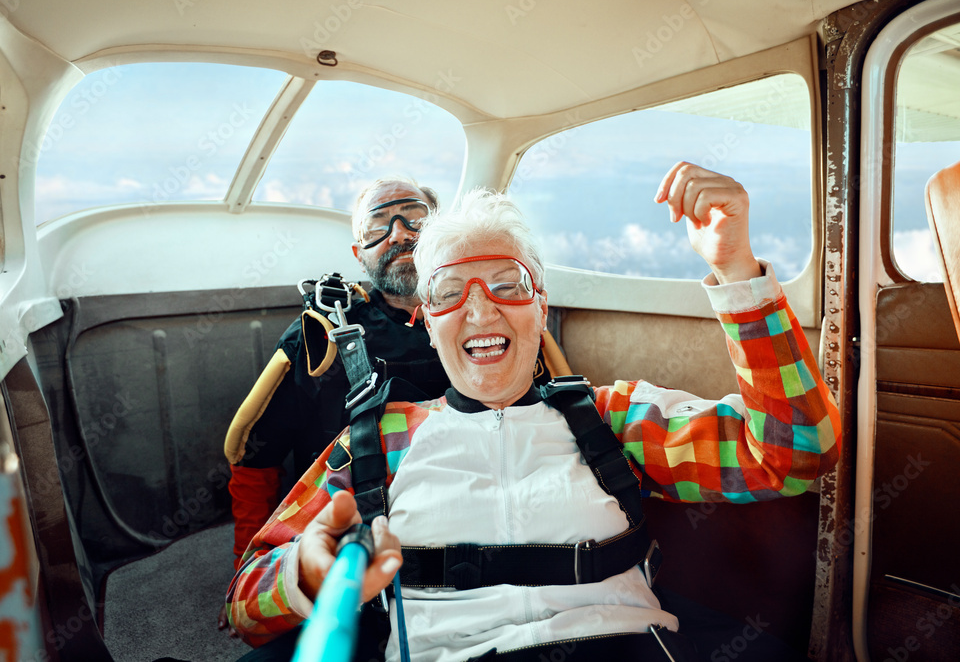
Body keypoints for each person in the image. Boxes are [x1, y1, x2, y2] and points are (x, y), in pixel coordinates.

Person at [225, 162, 842, 661]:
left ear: (540, 306)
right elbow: (244, 600)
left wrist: (738, 274)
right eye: (448, 293)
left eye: (509, 283)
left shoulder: (612, 417)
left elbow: (797, 451)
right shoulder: (379, 440)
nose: (481, 310)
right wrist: (306, 571)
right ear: (427, 321)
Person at [218, 178, 450, 632]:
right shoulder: (321, 338)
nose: (399, 234)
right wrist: (248, 568)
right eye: (378, 225)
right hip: (351, 534)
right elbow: (254, 458)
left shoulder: (487, 320)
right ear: (358, 253)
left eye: (415, 218)